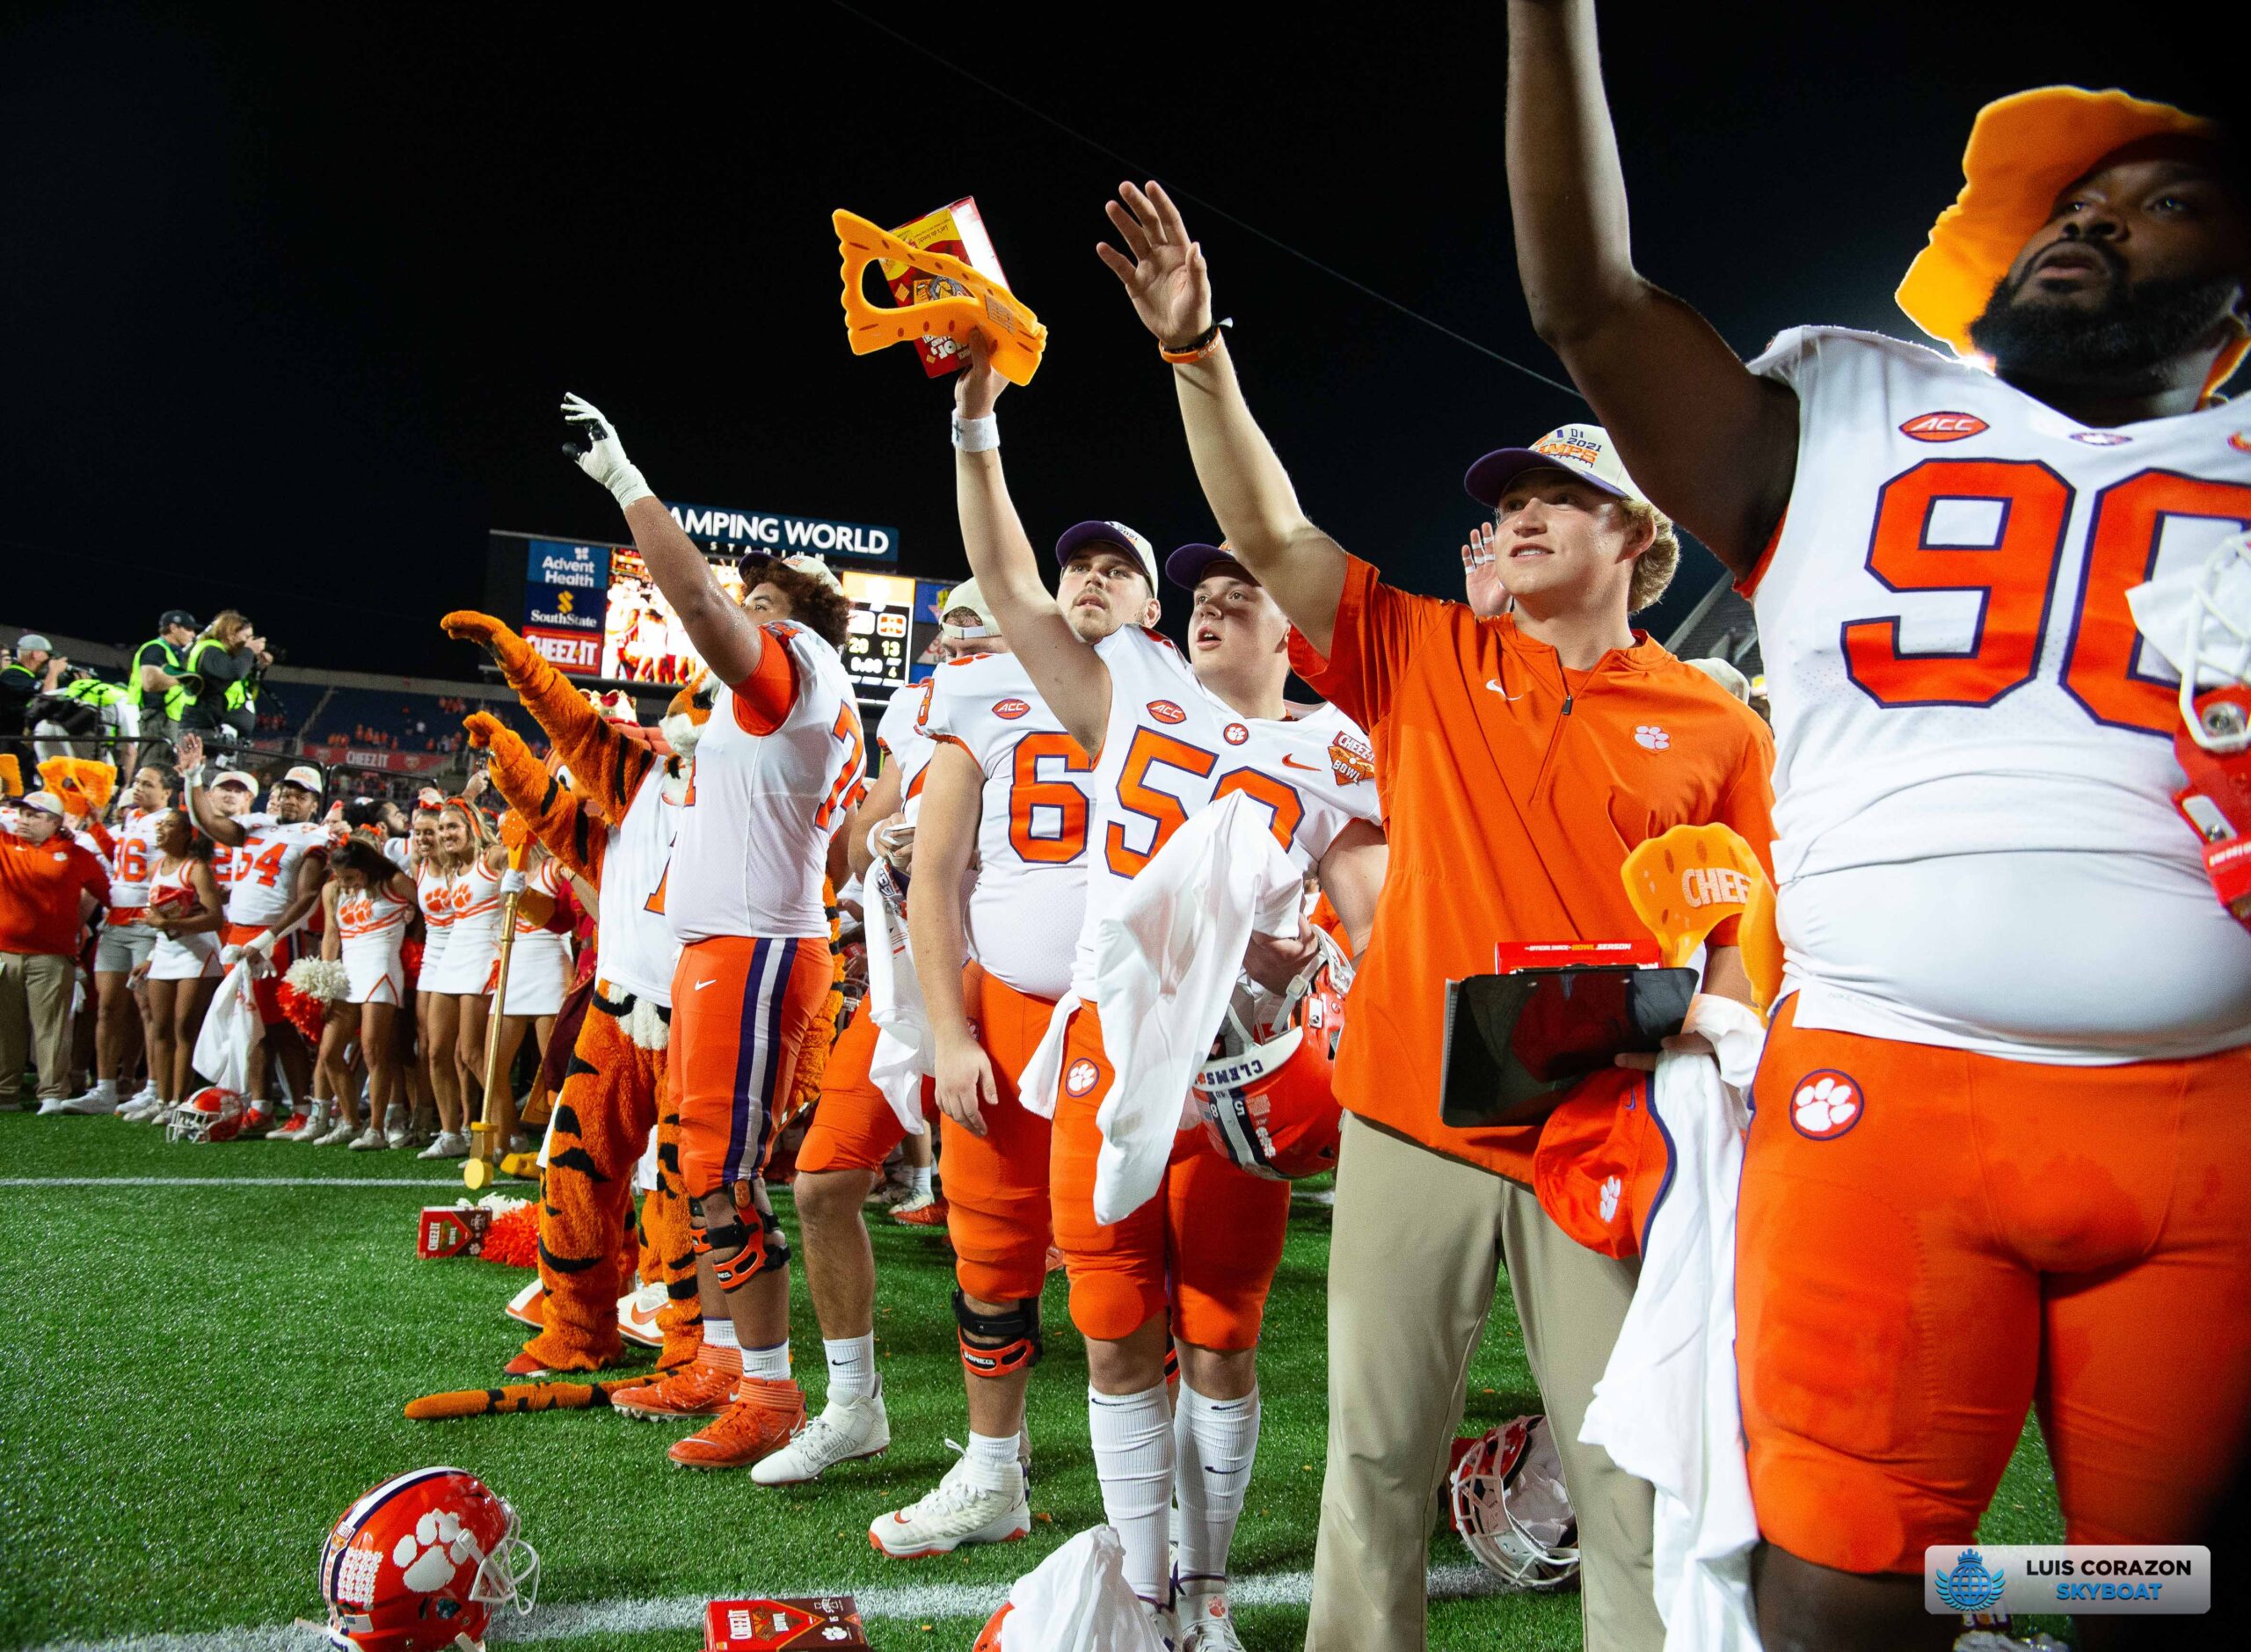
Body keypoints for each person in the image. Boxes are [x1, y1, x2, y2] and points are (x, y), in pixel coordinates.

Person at [1502, 14, 2251, 1647]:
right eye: (2076, 203)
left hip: (2211, 1117)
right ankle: (1971, 1601)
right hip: (1893, 1086)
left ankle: (2016, 1599)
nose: (2095, 220)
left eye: (2164, 204)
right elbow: (1591, 304)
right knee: (1846, 1590)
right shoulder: (1845, 405)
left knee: (2172, 1590)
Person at [1093, 178, 1777, 1652]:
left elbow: (1744, 935)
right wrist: (1197, 351)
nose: (1518, 516)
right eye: (1507, 501)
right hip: (1413, 1108)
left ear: (1637, 533)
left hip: (1608, 1124)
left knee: (1625, 1480)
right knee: (1378, 1464)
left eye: (1556, 498)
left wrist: (1716, 1044)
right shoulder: (1423, 652)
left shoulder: (1716, 723)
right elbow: (1268, 527)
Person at [950, 338, 1389, 1648]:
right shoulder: (1130, 689)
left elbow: (1378, 927)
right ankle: (1146, 1593)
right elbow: (1008, 585)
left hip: (1244, 1056)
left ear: (1294, 626)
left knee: (1222, 1333)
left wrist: (1320, 989)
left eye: (1243, 593)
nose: (1210, 606)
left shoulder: (1339, 750)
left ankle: (1207, 1589)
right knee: (1109, 1321)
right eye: (1201, 590)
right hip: (1111, 1035)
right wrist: (976, 426)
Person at [560, 391, 863, 1472]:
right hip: (727, 943)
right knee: (699, 1166)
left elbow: (690, 596)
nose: (745, 609)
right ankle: (726, 1358)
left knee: (727, 1176)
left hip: (754, 946)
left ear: (798, 622)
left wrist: (627, 482)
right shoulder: (762, 704)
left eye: (764, 600)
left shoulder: (791, 667)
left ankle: (771, 1391)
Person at [860, 586, 1105, 1556]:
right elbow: (932, 877)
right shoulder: (977, 699)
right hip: (1005, 1005)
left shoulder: (1173, 698)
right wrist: (952, 1032)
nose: (1092, 586)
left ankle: (1160, 1508)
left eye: (1115, 571)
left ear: (1148, 609)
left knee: (1126, 1272)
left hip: (1124, 1018)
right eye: (1075, 571)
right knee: (992, 1251)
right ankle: (994, 1471)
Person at [760, 579, 1010, 1490]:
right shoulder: (916, 710)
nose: (956, 648)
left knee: (999, 1225)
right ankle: (853, 1404)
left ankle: (1003, 1441)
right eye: (950, 634)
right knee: (823, 1180)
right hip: (910, 981)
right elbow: (860, 841)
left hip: (1010, 985)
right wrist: (892, 838)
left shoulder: (1057, 707)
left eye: (977, 633)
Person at [180, 746, 331, 1137]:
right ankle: (261, 1106)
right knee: (249, 1025)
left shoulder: (314, 836)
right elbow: (206, 820)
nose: (290, 800)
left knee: (280, 1027)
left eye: (300, 796)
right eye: (286, 792)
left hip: (275, 936)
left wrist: (267, 938)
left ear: (313, 804)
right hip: (239, 933)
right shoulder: (257, 824)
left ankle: (301, 1109)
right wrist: (193, 776)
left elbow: (307, 896)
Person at [61, 763, 176, 1117]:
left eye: (148, 783)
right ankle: (105, 1088)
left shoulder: (171, 822)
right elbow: (121, 860)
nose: (139, 787)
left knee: (149, 1010)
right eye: (137, 781)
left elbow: (173, 869)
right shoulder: (135, 818)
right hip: (116, 922)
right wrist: (96, 825)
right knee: (108, 1008)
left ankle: (153, 1089)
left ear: (167, 792)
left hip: (146, 922)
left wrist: (162, 919)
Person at [0, 790, 111, 1113]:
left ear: (55, 823)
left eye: (34, 815)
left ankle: (51, 1093)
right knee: (6, 1026)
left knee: (51, 1027)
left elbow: (108, 894)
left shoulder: (76, 854)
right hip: (5, 952)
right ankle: (6, 1093)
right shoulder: (4, 844)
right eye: (22, 814)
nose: (24, 820)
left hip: (52, 954)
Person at [419, 797, 509, 1157]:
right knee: (436, 1051)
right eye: (442, 828)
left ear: (472, 827)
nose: (445, 834)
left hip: (483, 958)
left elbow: (525, 854)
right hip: (452, 958)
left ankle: (505, 1134)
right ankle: (450, 1133)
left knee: (473, 1055)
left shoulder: (492, 858)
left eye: (452, 826)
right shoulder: (452, 868)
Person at [316, 835, 417, 1149]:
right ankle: (349, 1122)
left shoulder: (394, 882)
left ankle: (377, 1128)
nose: (344, 883)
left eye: (350, 877)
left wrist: (412, 918)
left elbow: (429, 909)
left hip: (380, 967)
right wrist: (325, 977)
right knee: (329, 1052)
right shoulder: (333, 891)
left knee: (374, 1051)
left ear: (366, 868)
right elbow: (331, 935)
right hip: (347, 973)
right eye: (339, 876)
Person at [135, 809, 223, 1110]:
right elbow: (158, 916)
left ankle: (177, 1100)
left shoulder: (196, 869)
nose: (160, 829)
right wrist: (150, 955)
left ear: (187, 834)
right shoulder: (155, 868)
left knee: (184, 1026)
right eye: (160, 824)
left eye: (169, 825)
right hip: (165, 951)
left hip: (197, 954)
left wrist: (170, 924)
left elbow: (215, 918)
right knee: (160, 1028)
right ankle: (161, 1100)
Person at [180, 611, 269, 744]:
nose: (249, 641)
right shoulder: (210, 650)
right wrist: (249, 650)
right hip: (198, 729)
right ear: (230, 634)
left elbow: (241, 679)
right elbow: (234, 672)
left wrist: (257, 665)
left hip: (211, 729)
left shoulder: (226, 655)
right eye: (246, 637)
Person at [0, 636, 67, 763]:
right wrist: (54, 671)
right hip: (7, 746)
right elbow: (47, 696)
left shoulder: (29, 677)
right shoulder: (12, 675)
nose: (49, 660)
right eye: (48, 656)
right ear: (36, 654)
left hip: (20, 747)